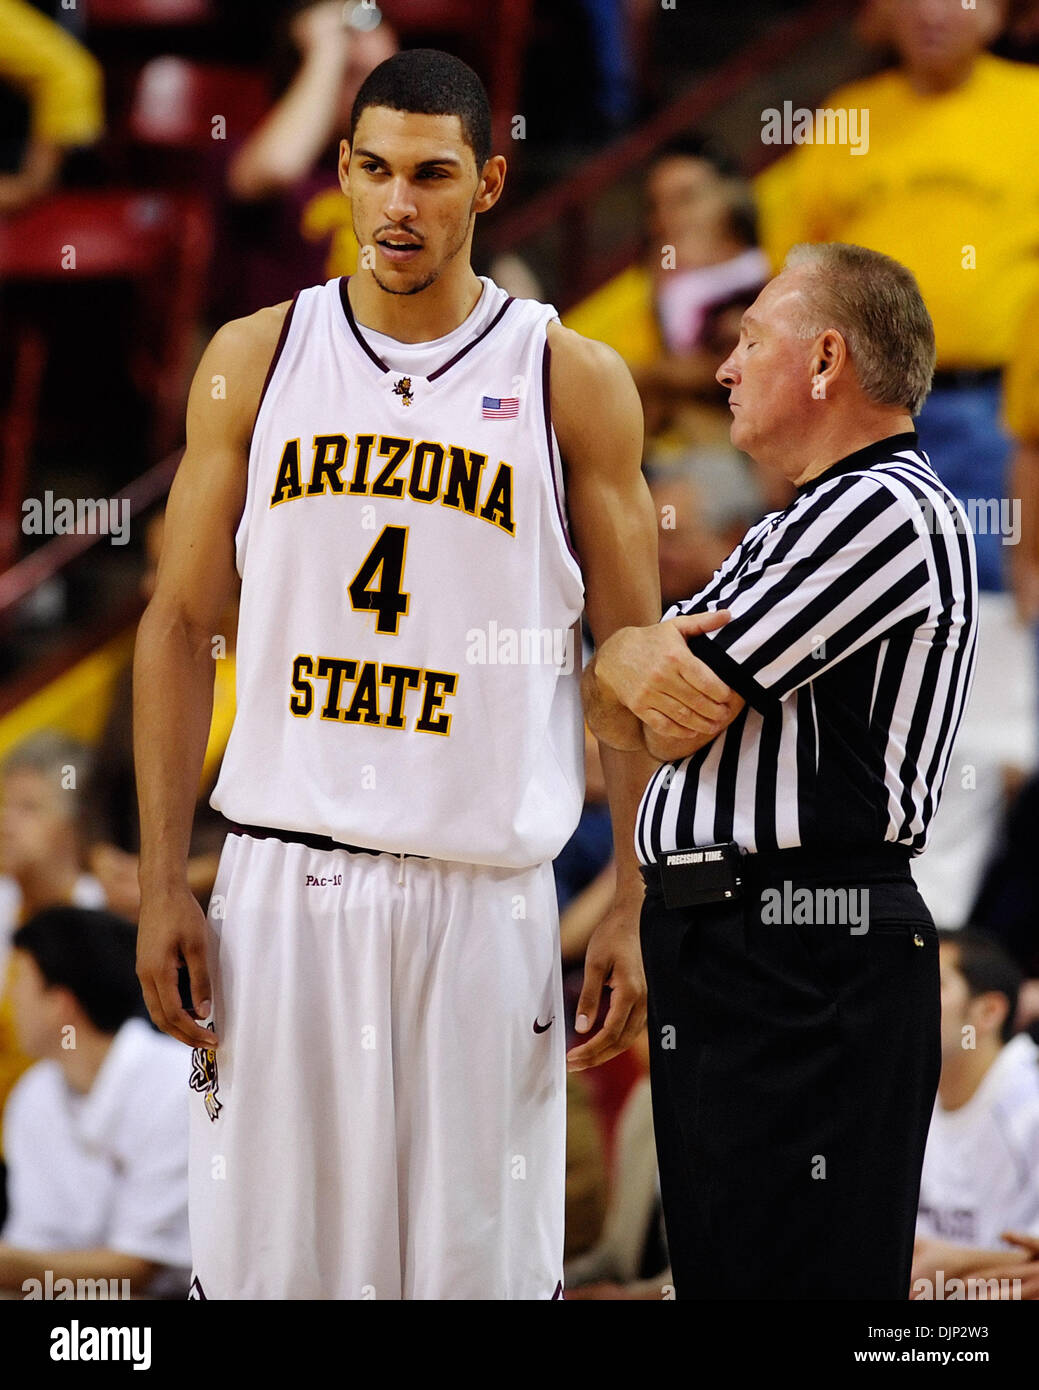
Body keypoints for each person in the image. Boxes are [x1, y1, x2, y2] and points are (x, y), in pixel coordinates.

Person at [133, 48, 658, 1300]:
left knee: (474, 1278)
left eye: (431, 175)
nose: (397, 205)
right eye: (372, 170)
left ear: (488, 183)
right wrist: (162, 881)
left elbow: (633, 665)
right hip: (282, 883)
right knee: (268, 1274)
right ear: (344, 174)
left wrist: (639, 896)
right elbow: (175, 624)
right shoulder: (254, 359)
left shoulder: (565, 378)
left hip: (483, 896)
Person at [581, 242, 979, 1299]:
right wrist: (620, 659)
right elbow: (614, 708)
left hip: (809, 944)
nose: (723, 367)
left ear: (825, 360)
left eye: (750, 338)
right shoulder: (793, 523)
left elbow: (677, 707)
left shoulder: (885, 507)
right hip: (732, 939)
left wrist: (627, 659)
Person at [755, 0, 1039, 926]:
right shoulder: (844, 119)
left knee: (999, 636)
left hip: (1002, 403)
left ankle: (963, 914)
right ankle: (879, 877)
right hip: (865, 408)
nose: (933, 11)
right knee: (862, 636)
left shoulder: (1028, 103)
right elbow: (792, 279)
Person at [0, 906, 190, 1298]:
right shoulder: (34, 1093)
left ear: (60, 1003)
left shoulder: (174, 1082)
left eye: (19, 981)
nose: (8, 1000)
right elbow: (34, 1246)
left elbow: (139, 1269)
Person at [912, 930, 1039, 1295]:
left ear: (987, 1012)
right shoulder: (904, 1095)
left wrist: (955, 1263)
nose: (908, 998)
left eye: (934, 984)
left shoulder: (1029, 1108)